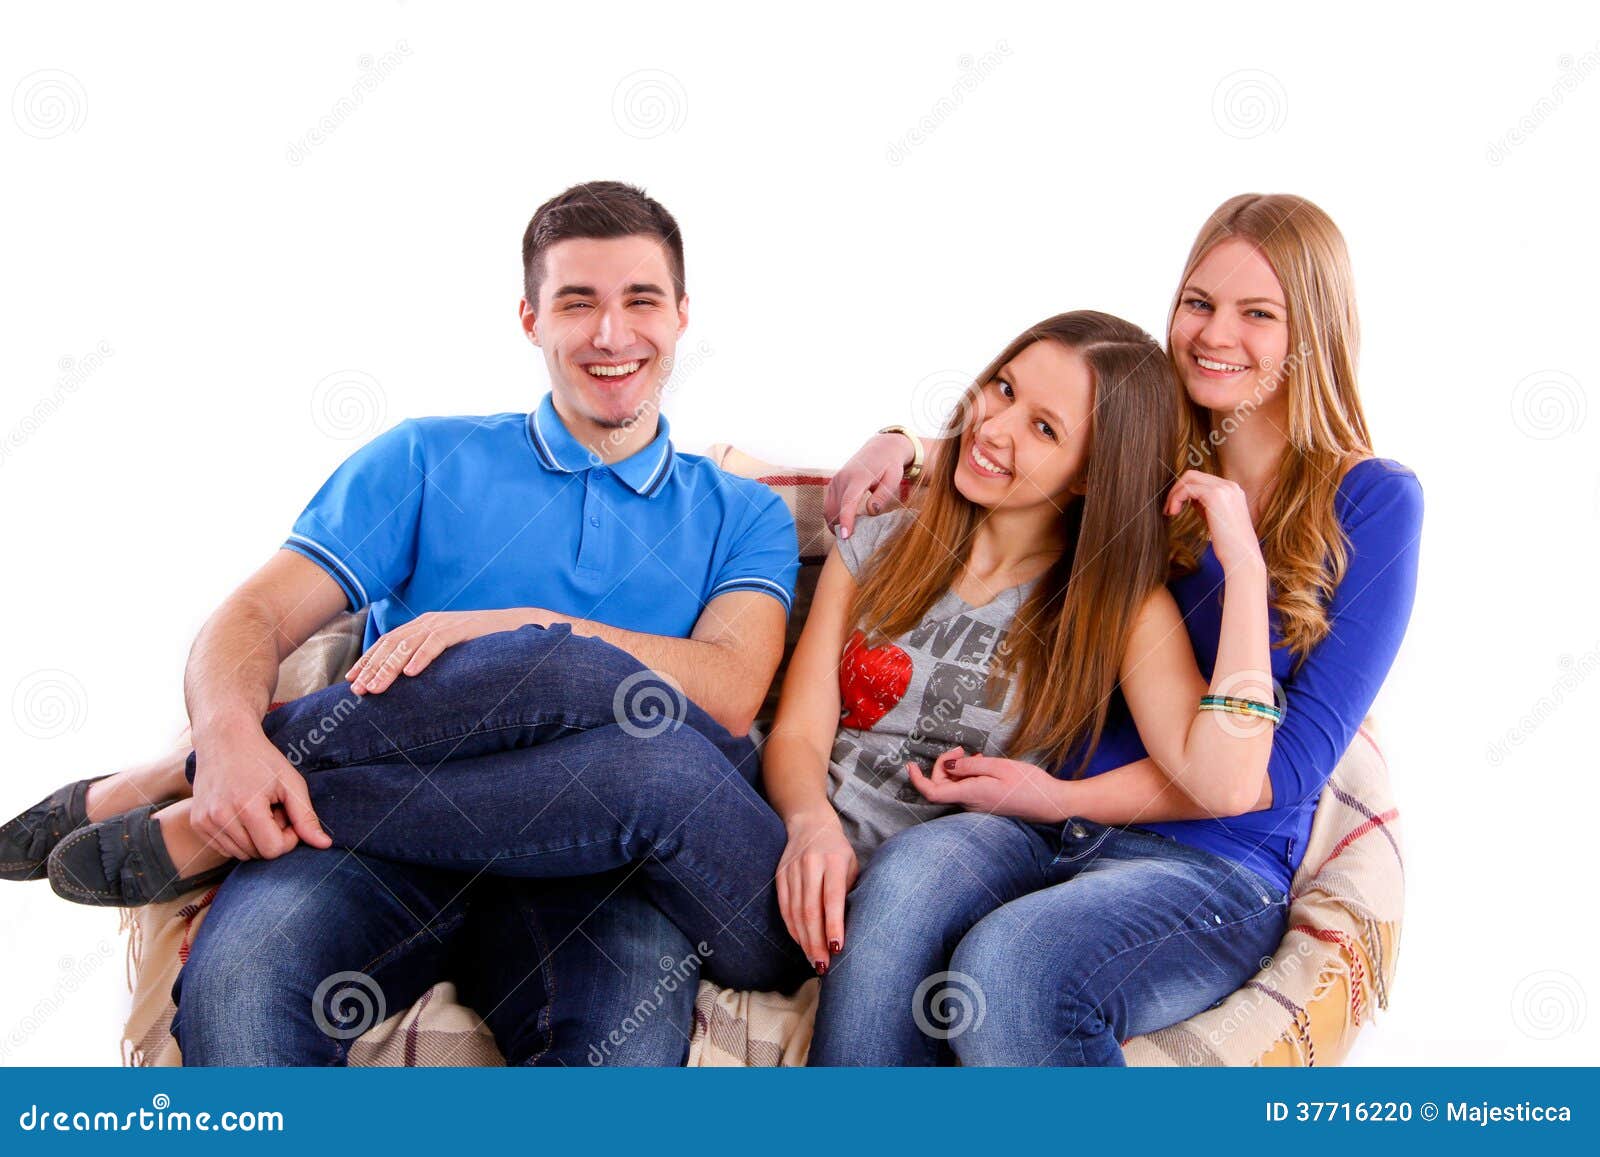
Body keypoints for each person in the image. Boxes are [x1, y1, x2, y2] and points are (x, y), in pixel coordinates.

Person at [0, 180, 801, 1066]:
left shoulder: (741, 512)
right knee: (241, 989)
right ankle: (202, 776)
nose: (612, 334)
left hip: (599, 871)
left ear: (682, 315)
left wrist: (528, 624)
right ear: (531, 319)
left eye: (641, 300)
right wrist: (226, 741)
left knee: (620, 1051)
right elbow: (254, 613)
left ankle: (168, 783)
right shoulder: (426, 457)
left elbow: (729, 692)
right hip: (369, 860)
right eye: (578, 303)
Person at [810, 193, 1423, 1065]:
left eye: (1258, 313)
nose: (1215, 334)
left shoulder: (1376, 502)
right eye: (1199, 302)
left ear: (1313, 334)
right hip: (1039, 827)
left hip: (1206, 866)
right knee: (905, 880)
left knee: (1011, 967)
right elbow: (1037, 441)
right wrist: (905, 442)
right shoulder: (1161, 457)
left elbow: (1273, 775)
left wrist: (1244, 566)